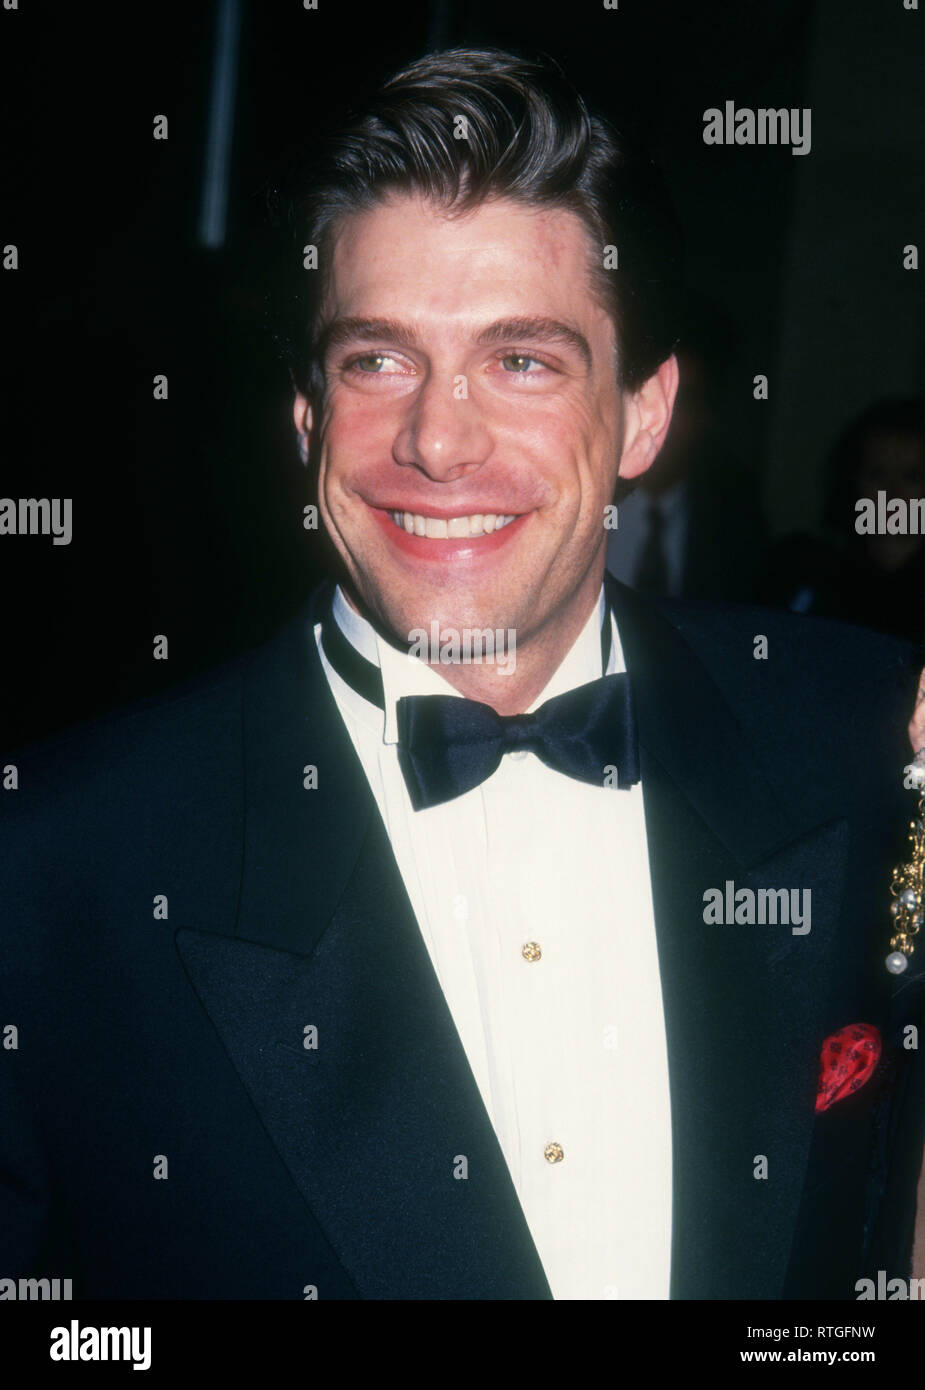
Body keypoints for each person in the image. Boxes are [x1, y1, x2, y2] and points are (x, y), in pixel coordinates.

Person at [2, 47, 924, 1302]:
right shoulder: (56, 866)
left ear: (645, 414)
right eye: (376, 359)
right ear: (305, 417)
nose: (438, 441)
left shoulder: (869, 735)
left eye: (523, 361)